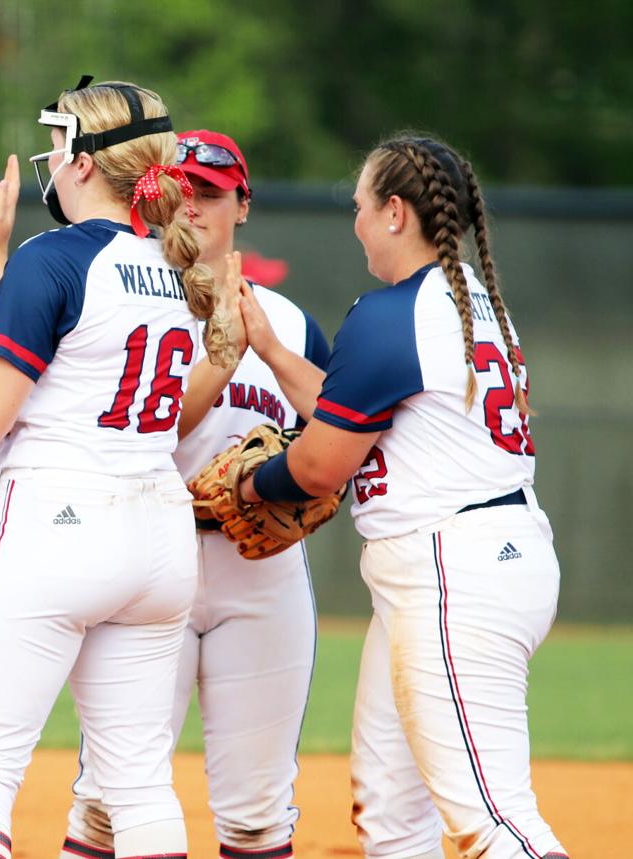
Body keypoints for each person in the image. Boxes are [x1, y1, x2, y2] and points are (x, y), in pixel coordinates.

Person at [0, 77, 243, 859]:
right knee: (138, 783)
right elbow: (55, 373)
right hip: (159, 536)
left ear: (84, 162)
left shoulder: (57, 258)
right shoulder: (174, 263)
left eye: (60, 141)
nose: (51, 156)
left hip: (58, 524)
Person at [239, 134, 568, 859]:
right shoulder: (468, 304)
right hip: (474, 559)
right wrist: (268, 347)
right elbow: (349, 408)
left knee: (495, 820)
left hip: (454, 572)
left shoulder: (393, 315)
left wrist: (243, 484)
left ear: (394, 212)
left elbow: (322, 464)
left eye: (359, 206)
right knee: (390, 813)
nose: (353, 221)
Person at [58, 130, 331, 859]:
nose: (196, 204)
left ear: (244, 203)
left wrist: (293, 480)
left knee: (257, 813)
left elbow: (341, 437)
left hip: (263, 571)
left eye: (213, 192)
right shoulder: (127, 299)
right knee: (107, 801)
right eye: (183, 189)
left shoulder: (293, 323)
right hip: (150, 556)